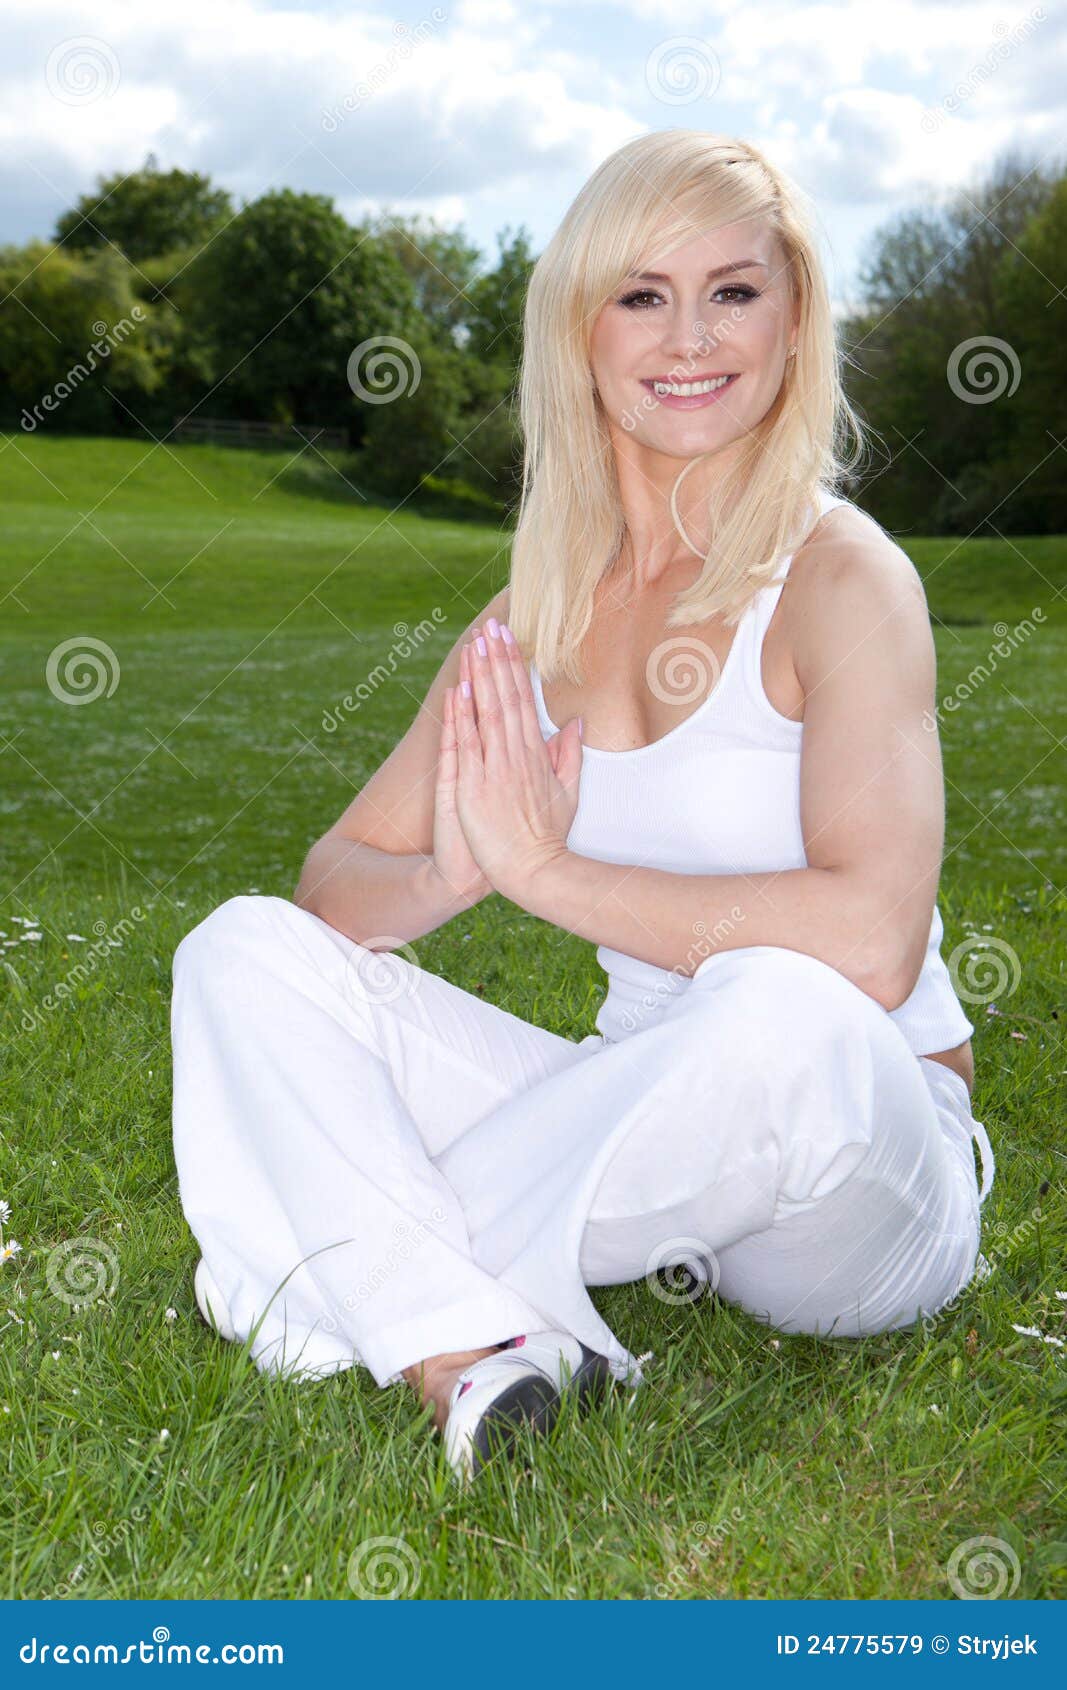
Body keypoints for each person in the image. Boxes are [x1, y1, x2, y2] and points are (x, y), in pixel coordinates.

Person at [170, 130, 994, 1481]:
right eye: (641, 294)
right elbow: (331, 893)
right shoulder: (538, 613)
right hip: (632, 1119)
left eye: (734, 291)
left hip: (853, 1157)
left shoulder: (846, 580)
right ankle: (467, 1352)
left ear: (794, 321)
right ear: (579, 332)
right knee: (238, 951)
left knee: (776, 1000)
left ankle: (318, 1263)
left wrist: (549, 873)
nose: (691, 337)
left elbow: (873, 947)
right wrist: (455, 870)